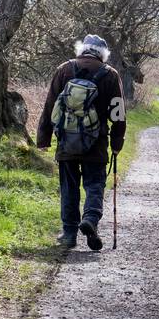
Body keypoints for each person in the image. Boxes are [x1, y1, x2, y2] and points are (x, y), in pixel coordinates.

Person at [36, 34, 127, 251]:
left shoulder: (64, 70)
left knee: (69, 187)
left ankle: (69, 234)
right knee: (95, 184)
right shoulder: (110, 75)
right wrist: (117, 141)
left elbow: (50, 105)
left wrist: (44, 138)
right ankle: (91, 219)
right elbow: (118, 113)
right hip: (96, 143)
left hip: (66, 142)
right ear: (103, 54)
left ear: (82, 50)